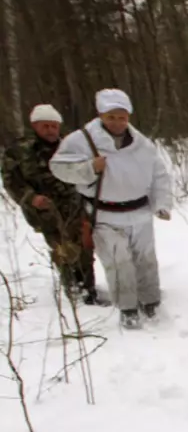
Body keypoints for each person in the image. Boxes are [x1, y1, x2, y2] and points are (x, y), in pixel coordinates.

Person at [50, 88, 173, 330]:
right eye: (111, 117)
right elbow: (58, 167)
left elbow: (159, 175)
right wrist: (88, 168)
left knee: (146, 260)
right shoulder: (81, 140)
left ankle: (151, 301)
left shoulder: (142, 144)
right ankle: (127, 308)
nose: (117, 122)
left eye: (122, 117)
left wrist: (162, 204)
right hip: (105, 214)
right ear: (101, 115)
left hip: (140, 212)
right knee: (119, 262)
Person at [1, 104, 107, 306]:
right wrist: (31, 198)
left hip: (76, 206)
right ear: (35, 126)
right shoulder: (20, 151)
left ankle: (89, 291)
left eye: (54, 126)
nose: (50, 130)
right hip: (46, 211)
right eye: (45, 126)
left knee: (85, 249)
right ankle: (74, 290)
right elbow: (11, 181)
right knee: (63, 249)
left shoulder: (70, 145)